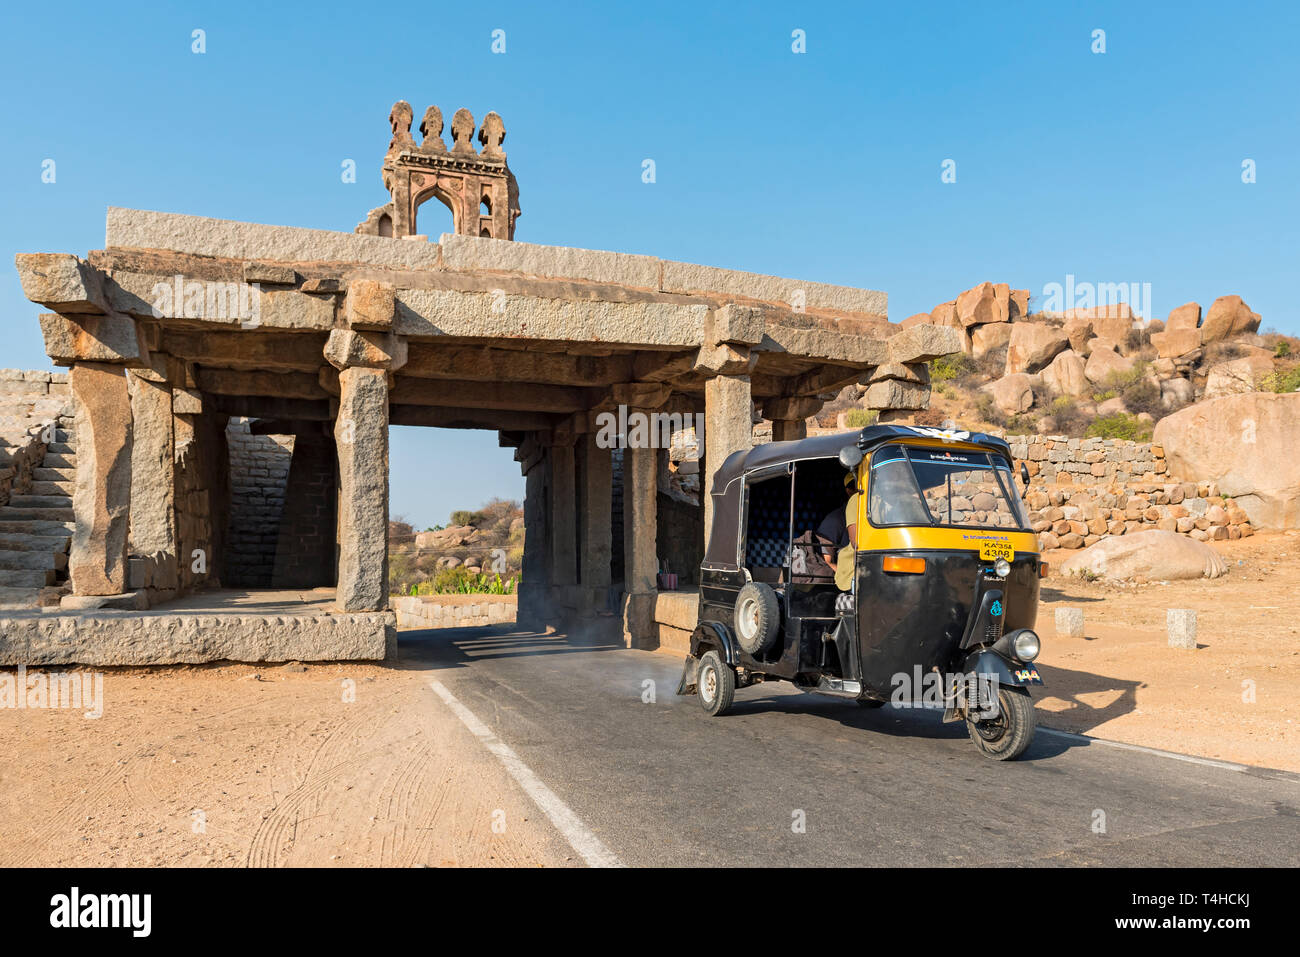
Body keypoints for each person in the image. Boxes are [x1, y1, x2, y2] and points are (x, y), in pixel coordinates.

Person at [817, 472, 859, 590]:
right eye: (856, 487)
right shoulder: (835, 520)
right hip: (847, 580)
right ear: (849, 491)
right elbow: (825, 562)